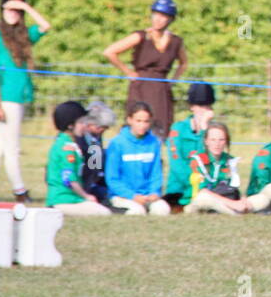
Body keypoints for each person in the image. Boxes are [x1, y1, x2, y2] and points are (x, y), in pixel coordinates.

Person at [0, 0, 51, 203]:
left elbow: (45, 26)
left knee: (0, 146)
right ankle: (20, 190)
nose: (12, 14)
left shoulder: (23, 36)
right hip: (6, 98)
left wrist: (26, 7)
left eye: (16, 10)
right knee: (11, 147)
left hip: (18, 96)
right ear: (1, 11)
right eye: (8, 9)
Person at [102, 0, 187, 138]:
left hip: (161, 88)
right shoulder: (140, 36)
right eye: (156, 15)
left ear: (170, 19)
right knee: (137, 124)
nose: (158, 19)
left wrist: (174, 80)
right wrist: (128, 72)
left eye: (163, 16)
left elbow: (183, 63)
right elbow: (110, 52)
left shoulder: (176, 41)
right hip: (141, 86)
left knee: (160, 128)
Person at [45, 100, 112, 216]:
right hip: (64, 199)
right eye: (81, 122)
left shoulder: (75, 142)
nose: (85, 125)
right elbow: (69, 179)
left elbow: (94, 168)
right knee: (103, 212)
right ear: (70, 126)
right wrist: (86, 196)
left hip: (74, 195)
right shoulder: (67, 147)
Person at [105, 101, 170, 215]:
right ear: (130, 120)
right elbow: (112, 179)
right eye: (138, 121)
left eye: (146, 121)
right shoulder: (117, 143)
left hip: (147, 195)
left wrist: (155, 192)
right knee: (137, 211)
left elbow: (156, 173)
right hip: (123, 196)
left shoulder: (154, 142)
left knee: (163, 209)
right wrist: (132, 196)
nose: (142, 125)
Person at [165, 82, 215, 210]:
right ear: (192, 107)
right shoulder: (178, 129)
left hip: (206, 188)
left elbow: (210, 161)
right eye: (200, 106)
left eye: (208, 106)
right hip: (181, 190)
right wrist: (195, 188)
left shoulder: (212, 131)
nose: (204, 110)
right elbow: (177, 165)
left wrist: (204, 130)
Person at [184, 122, 250, 215]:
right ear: (206, 141)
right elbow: (202, 190)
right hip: (198, 201)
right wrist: (233, 204)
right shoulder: (197, 160)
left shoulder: (229, 160)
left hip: (224, 199)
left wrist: (243, 200)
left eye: (221, 140)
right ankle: (234, 213)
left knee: (260, 200)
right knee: (204, 198)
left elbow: (234, 187)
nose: (217, 144)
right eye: (213, 140)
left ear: (226, 141)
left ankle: (228, 210)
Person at [77, 100, 117, 205]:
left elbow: (96, 165)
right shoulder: (79, 138)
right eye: (102, 127)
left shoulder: (95, 137)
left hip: (96, 182)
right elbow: (91, 167)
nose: (103, 130)